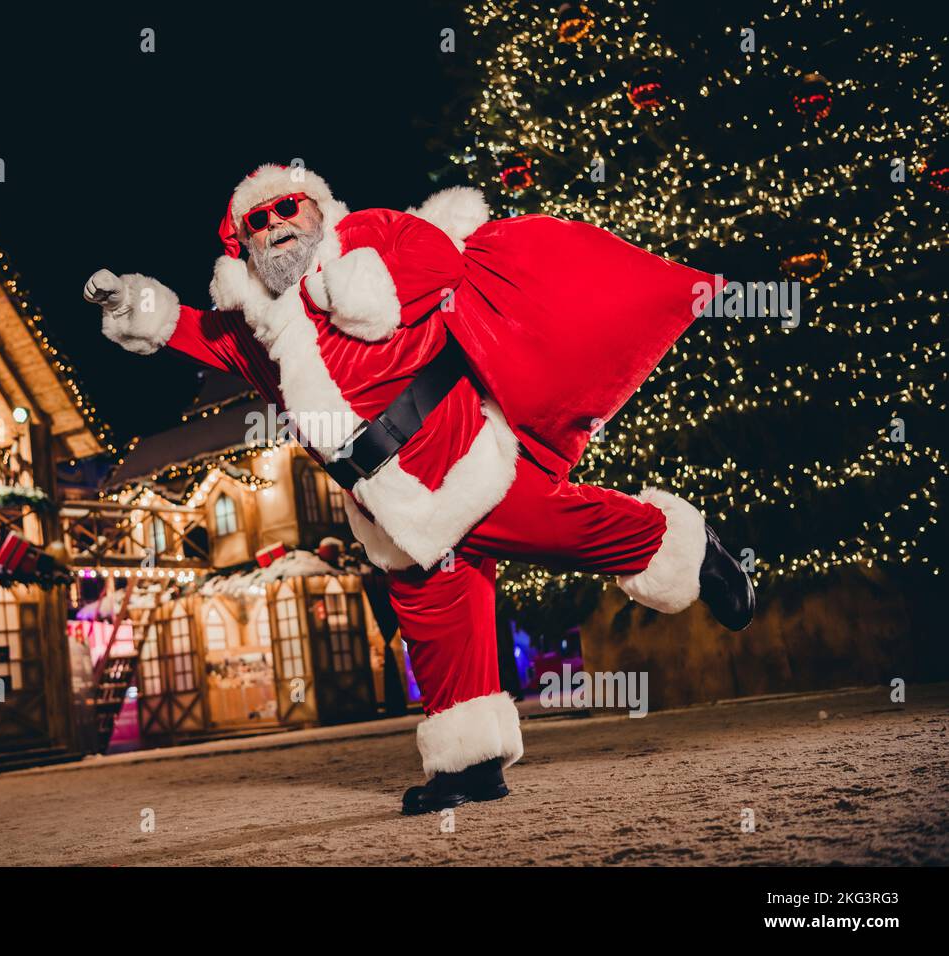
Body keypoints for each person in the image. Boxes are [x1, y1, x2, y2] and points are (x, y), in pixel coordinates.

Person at [85, 163, 754, 814]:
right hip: (386, 506)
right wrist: (130, 305)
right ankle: (469, 762)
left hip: (459, 456)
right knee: (434, 623)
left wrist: (367, 281)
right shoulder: (253, 330)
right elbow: (185, 328)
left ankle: (682, 547)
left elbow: (440, 254)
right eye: (259, 220)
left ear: (318, 208)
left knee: (563, 526)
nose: (278, 224)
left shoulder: (369, 241)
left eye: (289, 206)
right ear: (244, 242)